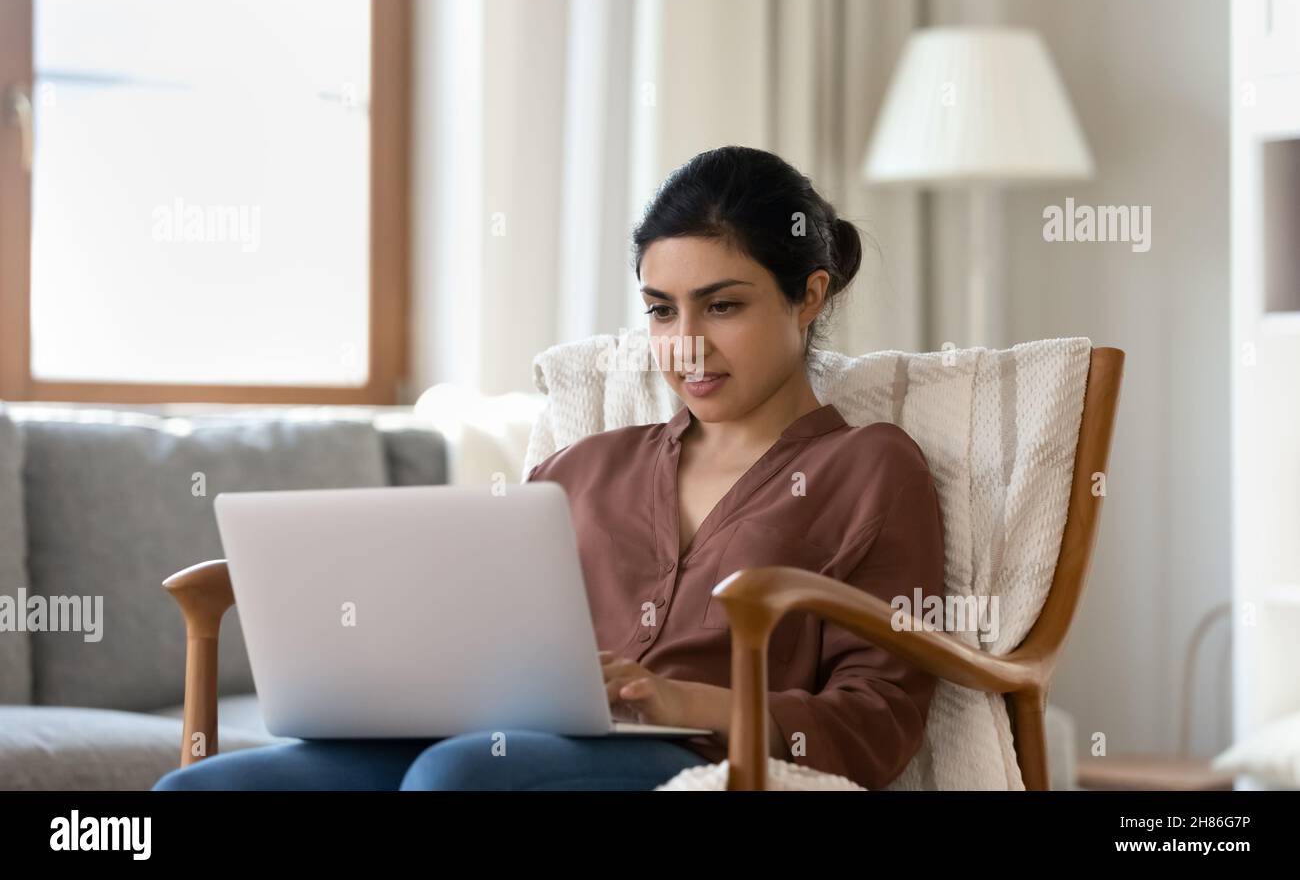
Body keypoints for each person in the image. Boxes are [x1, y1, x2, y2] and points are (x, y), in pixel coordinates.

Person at [153, 145, 946, 791]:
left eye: (724, 305)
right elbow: (481, 637)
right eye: (662, 310)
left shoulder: (870, 468)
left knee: (456, 779)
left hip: (690, 762)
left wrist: (681, 700)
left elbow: (877, 723)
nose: (686, 345)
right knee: (198, 792)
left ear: (808, 297)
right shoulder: (583, 469)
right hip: (495, 741)